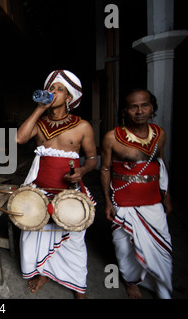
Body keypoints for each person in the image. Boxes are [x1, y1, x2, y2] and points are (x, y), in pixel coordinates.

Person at [16, 70, 97, 298]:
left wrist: (81, 170)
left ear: (69, 97)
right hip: (39, 192)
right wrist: (40, 108)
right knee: (35, 233)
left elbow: (92, 159)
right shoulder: (40, 124)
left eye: (59, 89)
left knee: (74, 241)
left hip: (69, 194)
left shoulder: (83, 127)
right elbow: (20, 138)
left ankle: (78, 285)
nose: (53, 93)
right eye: (50, 88)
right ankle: (43, 272)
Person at [100, 88, 172, 299]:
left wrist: (166, 195)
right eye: (133, 107)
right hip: (123, 202)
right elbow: (104, 169)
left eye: (144, 105)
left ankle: (161, 286)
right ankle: (131, 283)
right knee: (123, 248)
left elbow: (161, 165)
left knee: (161, 250)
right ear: (125, 111)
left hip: (153, 201)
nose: (139, 111)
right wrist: (107, 202)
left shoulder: (160, 134)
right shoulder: (112, 137)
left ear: (152, 108)